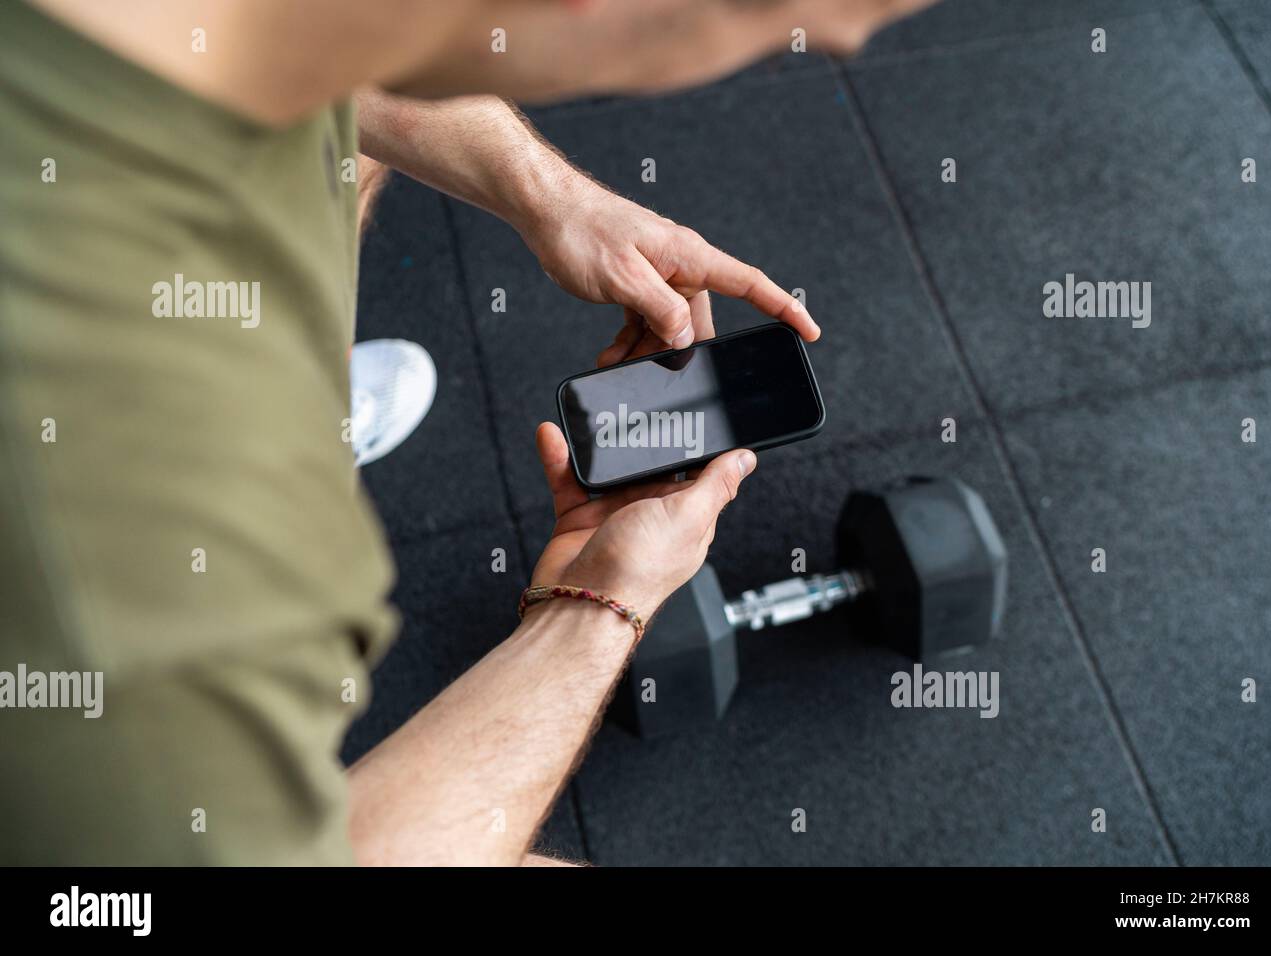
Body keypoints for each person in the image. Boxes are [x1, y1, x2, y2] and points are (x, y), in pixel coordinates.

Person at [0, 0, 933, 865]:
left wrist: (549, 197)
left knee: (342, 157)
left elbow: (335, 50)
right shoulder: (114, 544)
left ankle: (292, 393)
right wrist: (600, 602)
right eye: (775, 32)